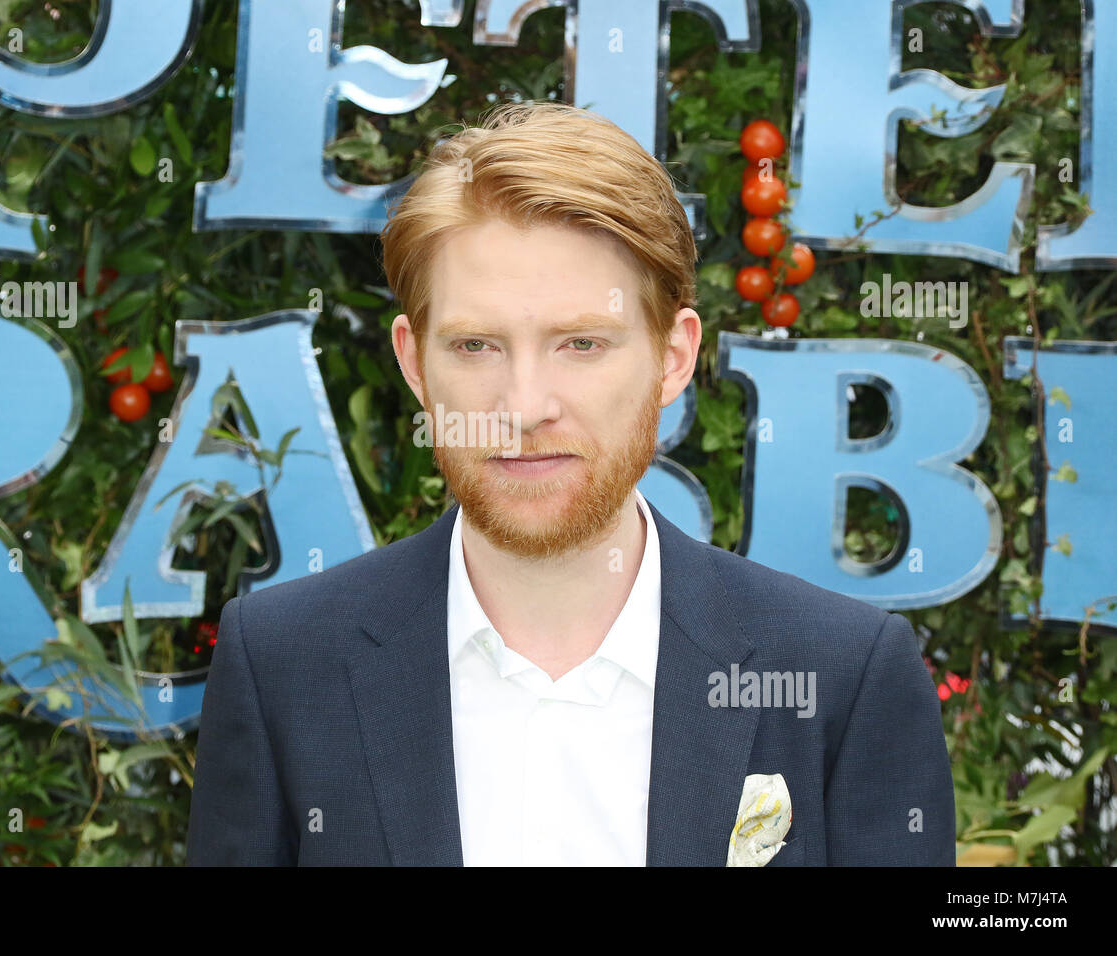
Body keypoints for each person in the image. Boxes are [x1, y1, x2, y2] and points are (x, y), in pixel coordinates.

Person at [187, 101, 955, 866]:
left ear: (672, 358)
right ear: (415, 363)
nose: (525, 407)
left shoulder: (843, 676)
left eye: (581, 343)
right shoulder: (284, 667)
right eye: (477, 345)